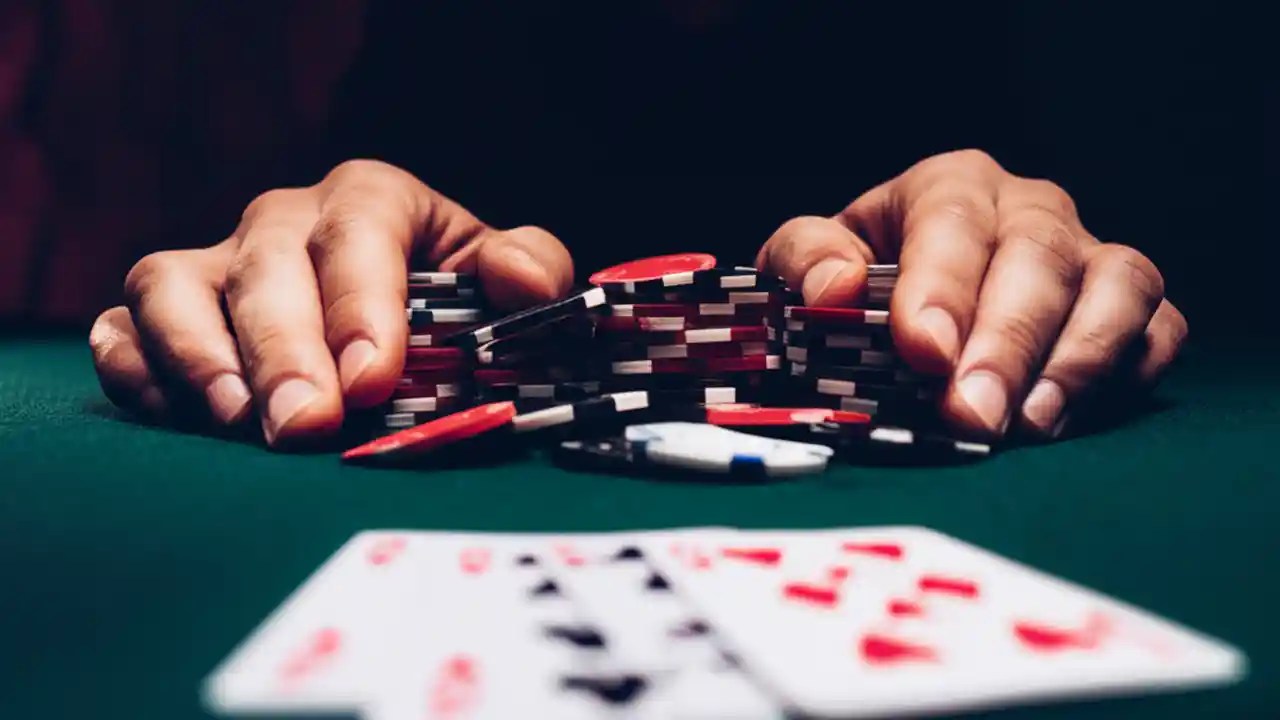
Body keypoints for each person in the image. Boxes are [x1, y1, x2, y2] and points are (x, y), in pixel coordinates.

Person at [80, 4, 1186, 448]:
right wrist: (294, 239)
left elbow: (1034, 230)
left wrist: (1030, 240)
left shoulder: (935, 31)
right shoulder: (450, 36)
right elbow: (352, 217)